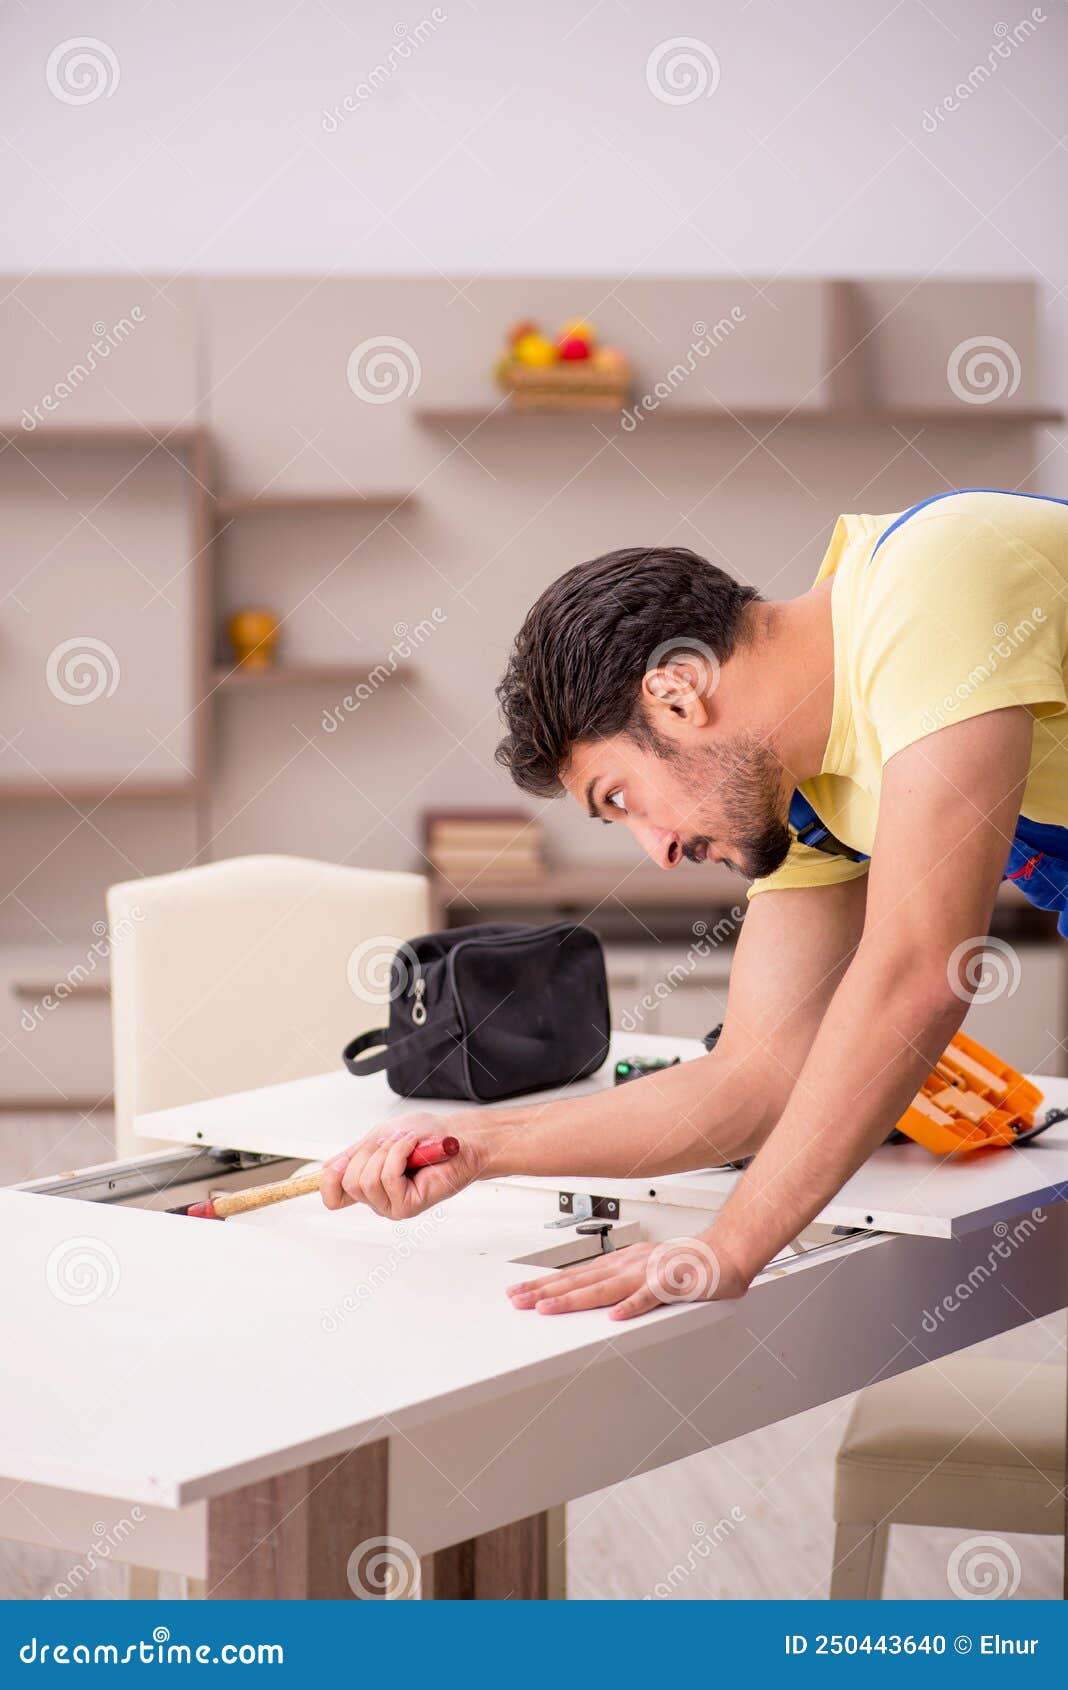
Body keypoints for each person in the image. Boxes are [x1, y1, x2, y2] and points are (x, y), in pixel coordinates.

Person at [321, 488, 1068, 1320]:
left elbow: (919, 973)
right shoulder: (809, 798)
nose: (660, 851)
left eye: (621, 797)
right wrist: (478, 1146)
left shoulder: (934, 580)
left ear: (677, 693)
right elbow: (752, 1080)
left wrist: (730, 1245)